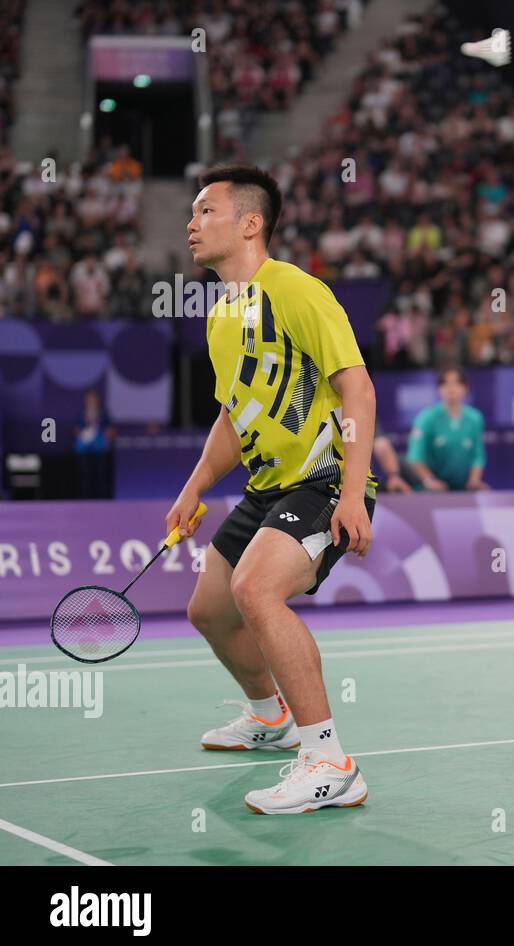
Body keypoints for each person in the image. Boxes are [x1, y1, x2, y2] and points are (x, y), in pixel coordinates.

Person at [168, 164, 377, 815]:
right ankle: (271, 718)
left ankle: (330, 762)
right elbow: (234, 416)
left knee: (254, 590)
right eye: (193, 212)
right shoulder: (221, 313)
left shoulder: (297, 290)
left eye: (206, 211)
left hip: (321, 481)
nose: (191, 224)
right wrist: (196, 485)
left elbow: (358, 389)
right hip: (267, 486)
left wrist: (350, 491)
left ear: (250, 223)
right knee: (208, 609)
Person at [406, 367, 489, 491]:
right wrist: (430, 481)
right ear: (439, 389)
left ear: (466, 387)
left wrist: (474, 480)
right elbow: (415, 456)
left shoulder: (475, 418)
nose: (451, 389)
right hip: (433, 488)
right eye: (445, 384)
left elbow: (478, 455)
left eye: (456, 383)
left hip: (464, 486)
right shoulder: (426, 418)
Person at [74, 389, 114, 499]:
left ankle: (102, 500)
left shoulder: (103, 414)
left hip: (100, 449)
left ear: (98, 401)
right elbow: (76, 430)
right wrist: (83, 435)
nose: (91, 402)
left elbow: (111, 429)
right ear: (86, 402)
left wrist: (107, 435)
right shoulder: (82, 415)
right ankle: (86, 499)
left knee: (101, 476)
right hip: (86, 449)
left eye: (93, 400)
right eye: (89, 400)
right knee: (86, 476)